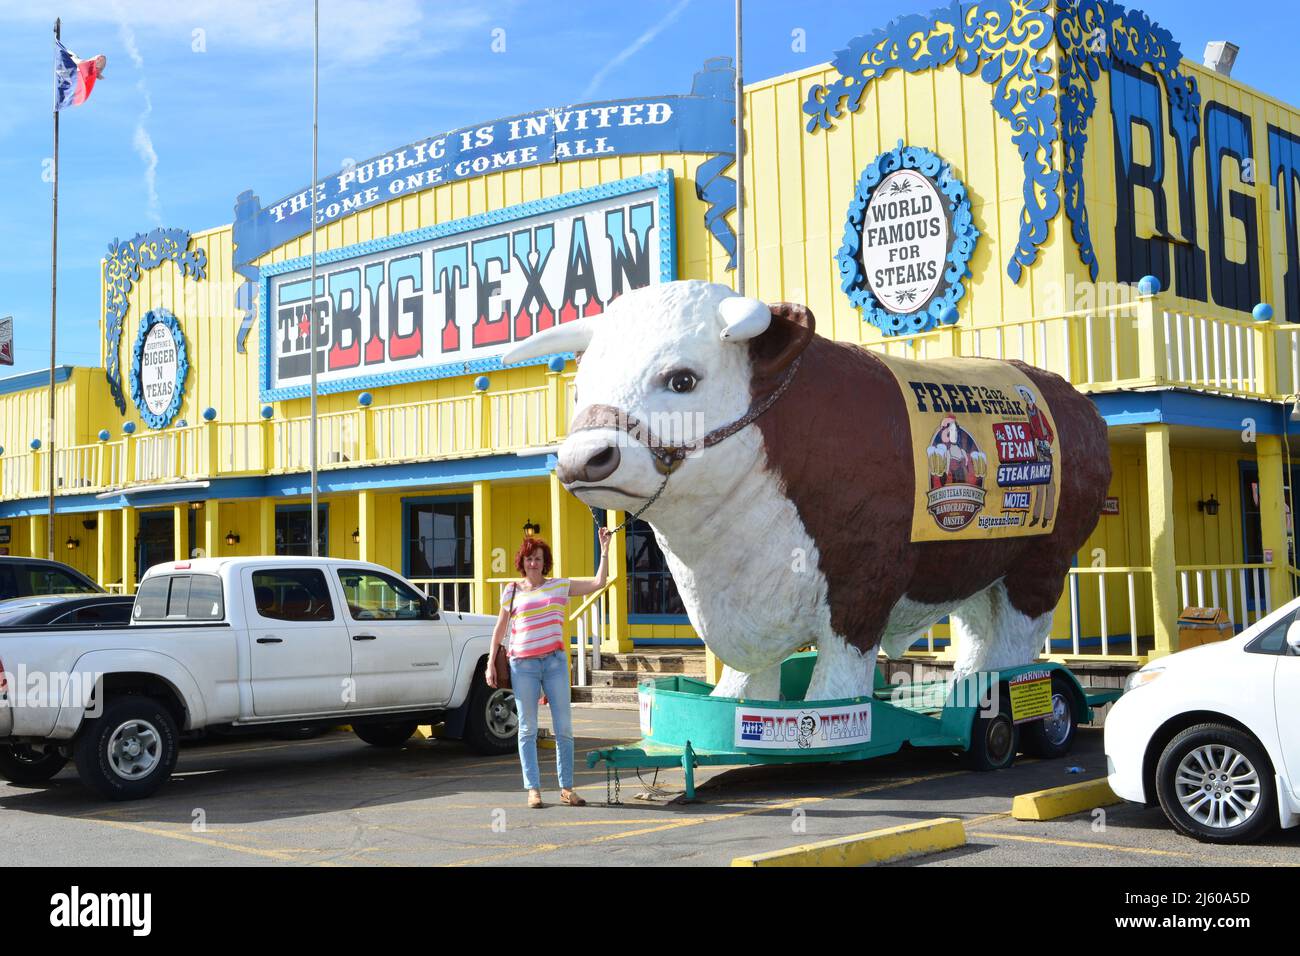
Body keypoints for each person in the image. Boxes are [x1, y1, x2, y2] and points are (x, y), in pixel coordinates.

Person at [487, 528, 611, 808]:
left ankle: (567, 788)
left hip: (555, 663)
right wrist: (490, 662)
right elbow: (500, 628)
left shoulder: (558, 586)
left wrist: (604, 549)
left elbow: (598, 582)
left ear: (546, 562)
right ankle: (533, 789)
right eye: (530, 558)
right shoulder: (512, 590)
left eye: (539, 559)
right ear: (522, 561)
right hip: (523, 666)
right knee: (528, 728)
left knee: (564, 728)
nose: (534, 563)